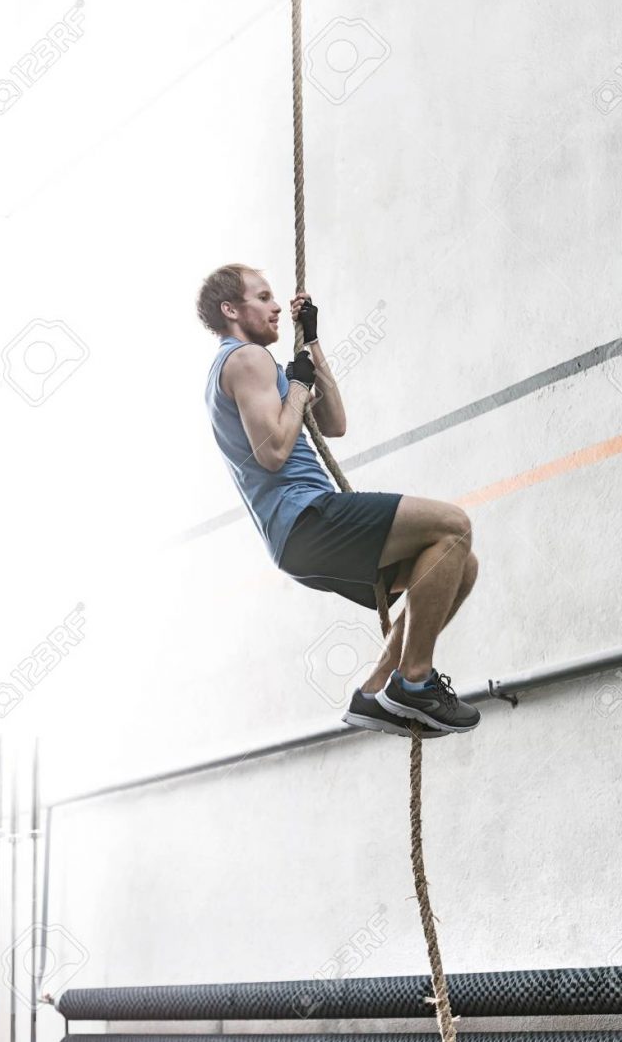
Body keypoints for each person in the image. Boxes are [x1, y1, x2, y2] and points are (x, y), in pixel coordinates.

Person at [200, 263, 481, 738]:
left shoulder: (256, 366)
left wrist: (311, 342)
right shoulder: (245, 359)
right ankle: (413, 681)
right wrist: (299, 388)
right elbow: (272, 452)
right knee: (453, 524)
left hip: (301, 541)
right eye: (263, 297)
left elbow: (334, 423)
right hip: (304, 517)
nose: (275, 307)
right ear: (231, 309)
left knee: (459, 564)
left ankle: (374, 694)